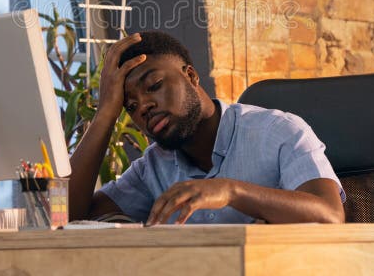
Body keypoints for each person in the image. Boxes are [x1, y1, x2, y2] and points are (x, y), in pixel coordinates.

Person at [68, 31, 345, 225]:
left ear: (190, 75)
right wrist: (106, 112)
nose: (144, 107)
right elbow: (68, 217)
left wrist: (231, 191)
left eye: (154, 86)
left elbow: (329, 215)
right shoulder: (152, 168)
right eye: (130, 107)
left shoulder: (277, 132)